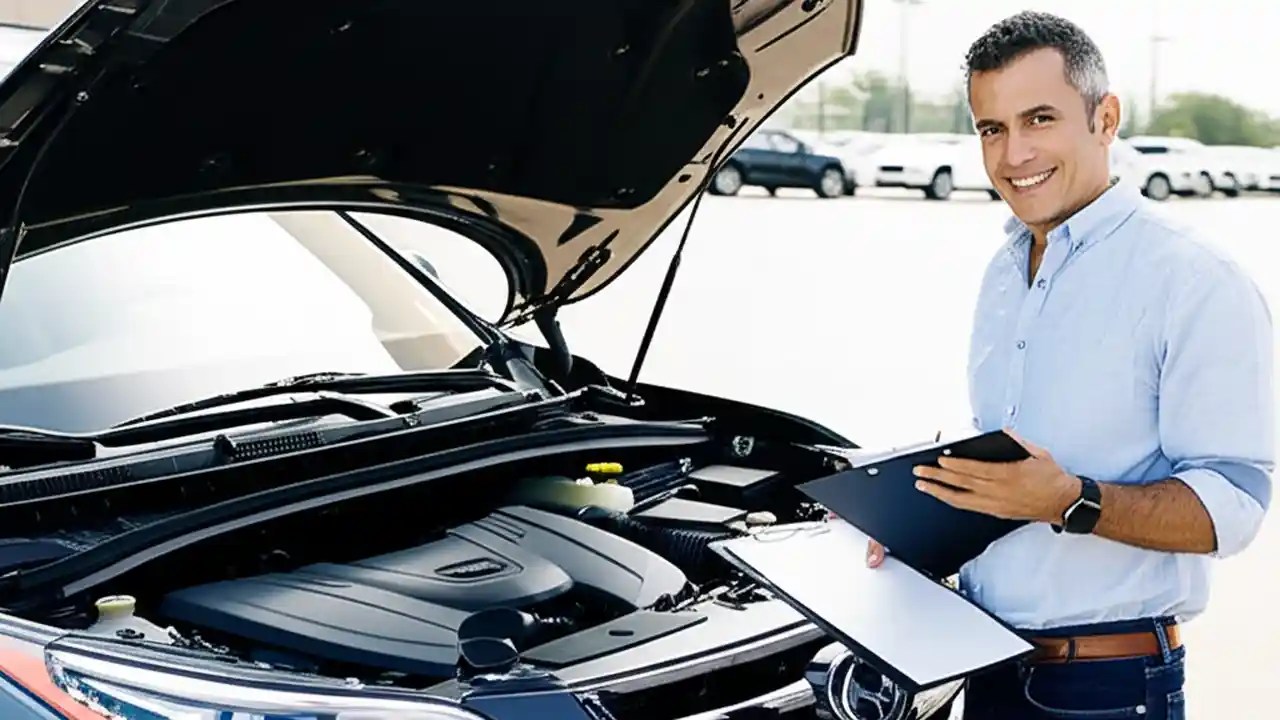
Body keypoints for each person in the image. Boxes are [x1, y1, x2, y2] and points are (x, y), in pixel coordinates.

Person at [864, 11, 1274, 720]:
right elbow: (1016, 475)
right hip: (985, 667)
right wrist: (924, 516)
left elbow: (1234, 506)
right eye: (992, 128)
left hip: (1106, 691)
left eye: (1040, 119)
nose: (1014, 153)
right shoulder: (1005, 268)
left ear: (1105, 117)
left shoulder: (1192, 279)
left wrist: (1069, 501)